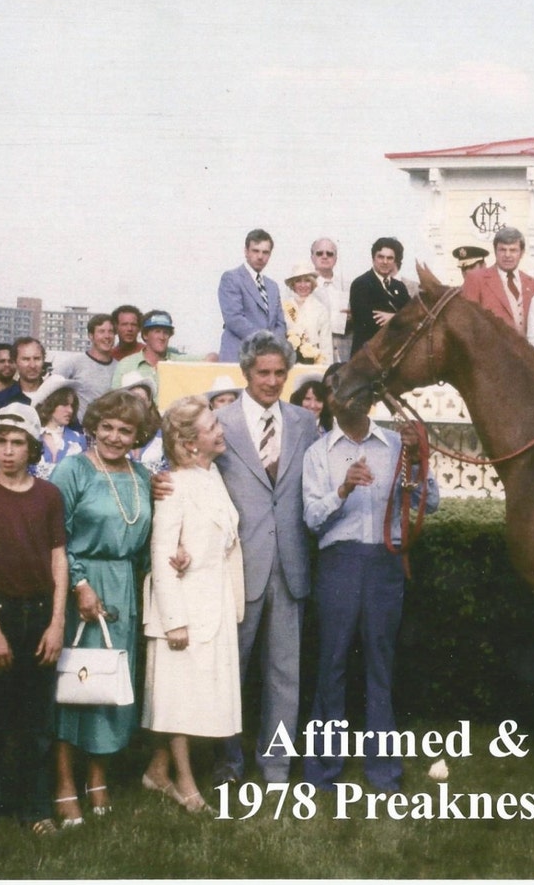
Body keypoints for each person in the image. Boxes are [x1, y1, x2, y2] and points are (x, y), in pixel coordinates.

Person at [302, 367, 439, 792]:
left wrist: (417, 459)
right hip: (339, 563)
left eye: (356, 388)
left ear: (370, 396)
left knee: (380, 665)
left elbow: (431, 501)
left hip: (384, 563)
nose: (349, 397)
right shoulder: (319, 453)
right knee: (332, 663)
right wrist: (342, 490)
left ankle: (383, 770)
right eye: (337, 389)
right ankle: (324, 768)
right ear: (329, 399)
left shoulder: (396, 444)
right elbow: (311, 518)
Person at [207, 331, 317, 785]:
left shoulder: (305, 422)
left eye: (280, 373)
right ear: (246, 372)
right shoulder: (220, 422)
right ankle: (227, 763)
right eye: (263, 373)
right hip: (237, 567)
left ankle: (276, 767)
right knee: (230, 670)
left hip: (290, 566)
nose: (272, 381)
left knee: (284, 674)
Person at [51, 389, 153, 826]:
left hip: (123, 586)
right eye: (107, 427)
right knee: (75, 681)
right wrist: (80, 584)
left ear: (137, 436)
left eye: (124, 430)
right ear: (93, 427)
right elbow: (56, 534)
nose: (114, 437)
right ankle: (63, 784)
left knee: (109, 684)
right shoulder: (73, 469)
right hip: (81, 585)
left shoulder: (142, 474)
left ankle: (97, 778)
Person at [141, 396, 244, 814]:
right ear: (189, 442)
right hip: (183, 607)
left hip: (214, 602)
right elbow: (161, 553)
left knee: (193, 697)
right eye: (212, 426)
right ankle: (185, 784)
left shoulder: (212, 474)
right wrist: (174, 621)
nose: (221, 430)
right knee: (178, 701)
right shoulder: (173, 485)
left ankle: (157, 772)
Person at [0, 403, 69, 836]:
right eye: (1, 441)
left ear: (32, 447)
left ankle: (35, 807)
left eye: (18, 443)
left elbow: (58, 559)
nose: (9, 450)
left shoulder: (48, 496)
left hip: (39, 614)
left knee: (37, 720)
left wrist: (57, 622)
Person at [218, 229, 287, 362]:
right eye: (255, 251)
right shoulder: (231, 278)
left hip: (268, 360)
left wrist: (273, 347)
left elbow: (280, 323)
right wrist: (265, 342)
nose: (260, 256)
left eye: (265, 252)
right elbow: (234, 319)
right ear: (246, 251)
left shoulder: (273, 286)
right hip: (238, 356)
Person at [461, 226, 534, 336]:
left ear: (522, 253)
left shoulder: (532, 283)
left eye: (513, 250)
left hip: (525, 346)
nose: (507, 255)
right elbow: (466, 323)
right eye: (502, 250)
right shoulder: (476, 279)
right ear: (495, 251)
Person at [112, 309, 211, 395]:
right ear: (145, 335)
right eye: (157, 331)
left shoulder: (178, 361)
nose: (162, 337)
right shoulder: (126, 365)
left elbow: (212, 358)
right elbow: (115, 400)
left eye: (166, 332)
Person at [346, 237, 411, 357]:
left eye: (390, 258)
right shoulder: (361, 283)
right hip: (367, 356)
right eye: (381, 257)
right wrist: (401, 318)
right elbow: (367, 321)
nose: (385, 262)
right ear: (373, 258)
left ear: (395, 261)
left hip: (394, 355)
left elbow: (412, 316)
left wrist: (394, 317)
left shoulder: (400, 287)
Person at [55, 313, 117, 417]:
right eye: (101, 331)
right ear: (91, 336)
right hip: (80, 425)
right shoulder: (75, 362)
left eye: (110, 332)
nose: (107, 336)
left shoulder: (119, 367)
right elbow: (51, 384)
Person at [31, 375, 88, 479]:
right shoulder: (31, 436)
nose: (70, 410)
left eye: (72, 405)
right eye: (65, 405)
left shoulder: (79, 439)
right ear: (50, 404)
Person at [282, 263, 334, 365]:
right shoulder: (284, 306)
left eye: (307, 281)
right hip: (288, 361)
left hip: (313, 362)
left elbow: (326, 343)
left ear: (312, 283)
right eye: (298, 281)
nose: (303, 285)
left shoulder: (320, 309)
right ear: (293, 284)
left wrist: (326, 368)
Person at [309, 238, 351, 362]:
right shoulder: (302, 286)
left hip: (344, 350)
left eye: (329, 253)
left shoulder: (349, 286)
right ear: (312, 257)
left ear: (336, 259)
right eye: (319, 253)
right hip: (314, 350)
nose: (325, 256)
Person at [119, 371, 168, 475]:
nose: (137, 404)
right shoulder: (114, 432)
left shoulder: (164, 434)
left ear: (149, 403)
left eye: (141, 399)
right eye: (132, 399)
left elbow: (171, 468)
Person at [0, 337, 47, 411]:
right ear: (15, 362)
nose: (32, 365)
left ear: (43, 361)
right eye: (26, 359)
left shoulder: (56, 396)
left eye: (37, 358)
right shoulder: (0, 400)